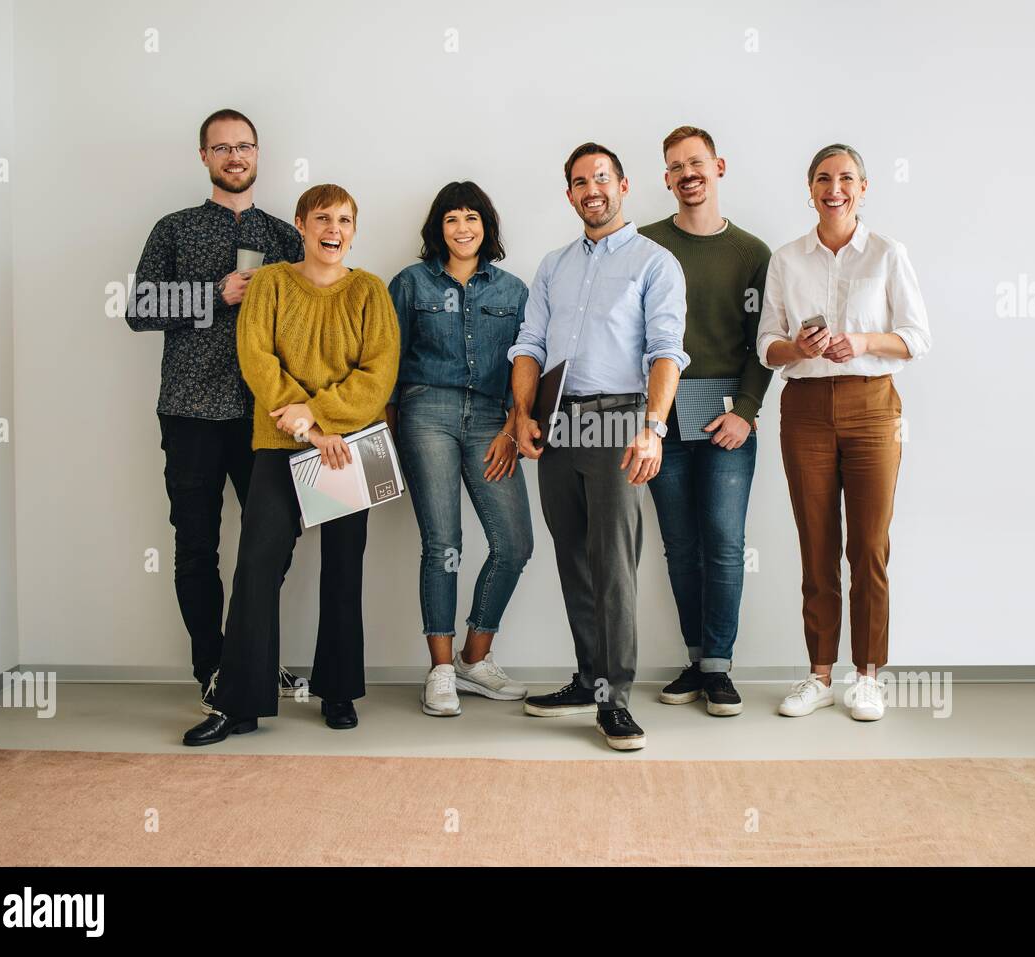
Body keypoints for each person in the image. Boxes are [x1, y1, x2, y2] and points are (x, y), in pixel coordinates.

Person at [183, 184, 400, 746]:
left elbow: (378, 376)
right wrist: (310, 428)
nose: (334, 228)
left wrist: (325, 419)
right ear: (301, 225)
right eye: (323, 218)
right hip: (283, 446)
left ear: (355, 229)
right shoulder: (273, 283)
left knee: (343, 568)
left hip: (348, 452)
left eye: (345, 220)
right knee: (255, 570)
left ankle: (338, 691)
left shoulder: (371, 291)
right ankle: (240, 702)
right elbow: (257, 359)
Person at [510, 142, 689, 751]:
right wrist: (520, 415)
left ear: (624, 186)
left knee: (614, 564)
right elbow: (530, 344)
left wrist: (654, 426)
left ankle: (616, 700)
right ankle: (589, 679)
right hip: (556, 417)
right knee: (574, 558)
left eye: (603, 178)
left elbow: (666, 351)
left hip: (618, 416)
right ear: (569, 194)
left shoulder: (655, 262)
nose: (593, 189)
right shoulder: (553, 265)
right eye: (581, 181)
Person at [127, 108, 306, 714]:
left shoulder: (286, 236)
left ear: (259, 155)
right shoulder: (172, 229)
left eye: (245, 146)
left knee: (274, 541)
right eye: (222, 147)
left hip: (268, 417)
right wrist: (216, 294)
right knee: (197, 543)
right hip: (190, 412)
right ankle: (213, 665)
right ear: (204, 157)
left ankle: (248, 656)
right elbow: (140, 306)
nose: (235, 157)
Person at [756, 144, 932, 722]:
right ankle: (819, 674)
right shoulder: (787, 259)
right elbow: (767, 346)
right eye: (824, 179)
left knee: (870, 545)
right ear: (810, 188)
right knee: (816, 543)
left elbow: (916, 338)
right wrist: (796, 347)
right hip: (805, 407)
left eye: (847, 178)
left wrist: (860, 342)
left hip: (873, 406)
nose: (835, 188)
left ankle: (869, 676)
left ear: (864, 187)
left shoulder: (887, 253)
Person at [639, 125, 773, 717]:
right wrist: (646, 418)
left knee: (724, 544)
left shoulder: (752, 254)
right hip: (659, 418)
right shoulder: (642, 244)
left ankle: (718, 669)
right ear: (665, 178)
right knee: (680, 546)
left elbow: (762, 345)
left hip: (726, 421)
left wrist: (745, 413)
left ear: (718, 167)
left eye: (696, 162)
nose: (687, 173)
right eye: (675, 166)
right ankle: (697, 661)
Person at [387, 182, 534, 717]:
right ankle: (441, 670)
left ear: (486, 226)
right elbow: (388, 360)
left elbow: (528, 359)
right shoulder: (410, 282)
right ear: (438, 229)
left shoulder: (514, 291)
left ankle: (475, 659)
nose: (463, 228)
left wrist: (517, 423)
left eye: (472, 217)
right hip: (427, 414)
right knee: (443, 542)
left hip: (492, 423)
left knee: (514, 543)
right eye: (452, 219)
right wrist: (387, 433)